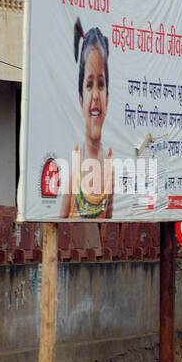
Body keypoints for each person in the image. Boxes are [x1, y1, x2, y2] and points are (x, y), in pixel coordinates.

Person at [62, 20, 114, 219]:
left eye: (101, 85)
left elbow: (111, 226)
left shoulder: (110, 163)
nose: (95, 96)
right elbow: (58, 221)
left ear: (107, 98)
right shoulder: (74, 162)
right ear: (80, 98)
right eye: (89, 84)